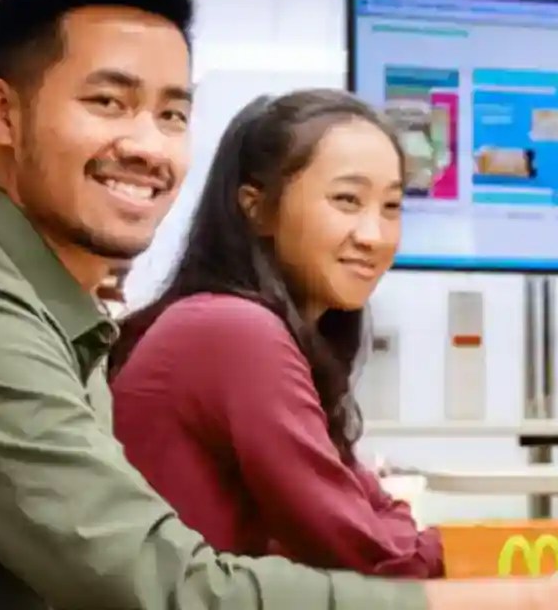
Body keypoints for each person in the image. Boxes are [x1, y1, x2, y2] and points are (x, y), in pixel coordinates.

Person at [0, 0, 558, 610]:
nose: (149, 145)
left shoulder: (67, 317)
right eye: (107, 102)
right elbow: (172, 589)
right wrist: (542, 595)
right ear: (1, 113)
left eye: (172, 114)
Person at [107, 90, 443, 578]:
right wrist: (435, 542)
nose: (374, 235)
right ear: (256, 208)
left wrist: (394, 524)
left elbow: (363, 507)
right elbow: (374, 554)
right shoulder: (234, 332)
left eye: (391, 206)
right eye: (347, 200)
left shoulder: (247, 326)